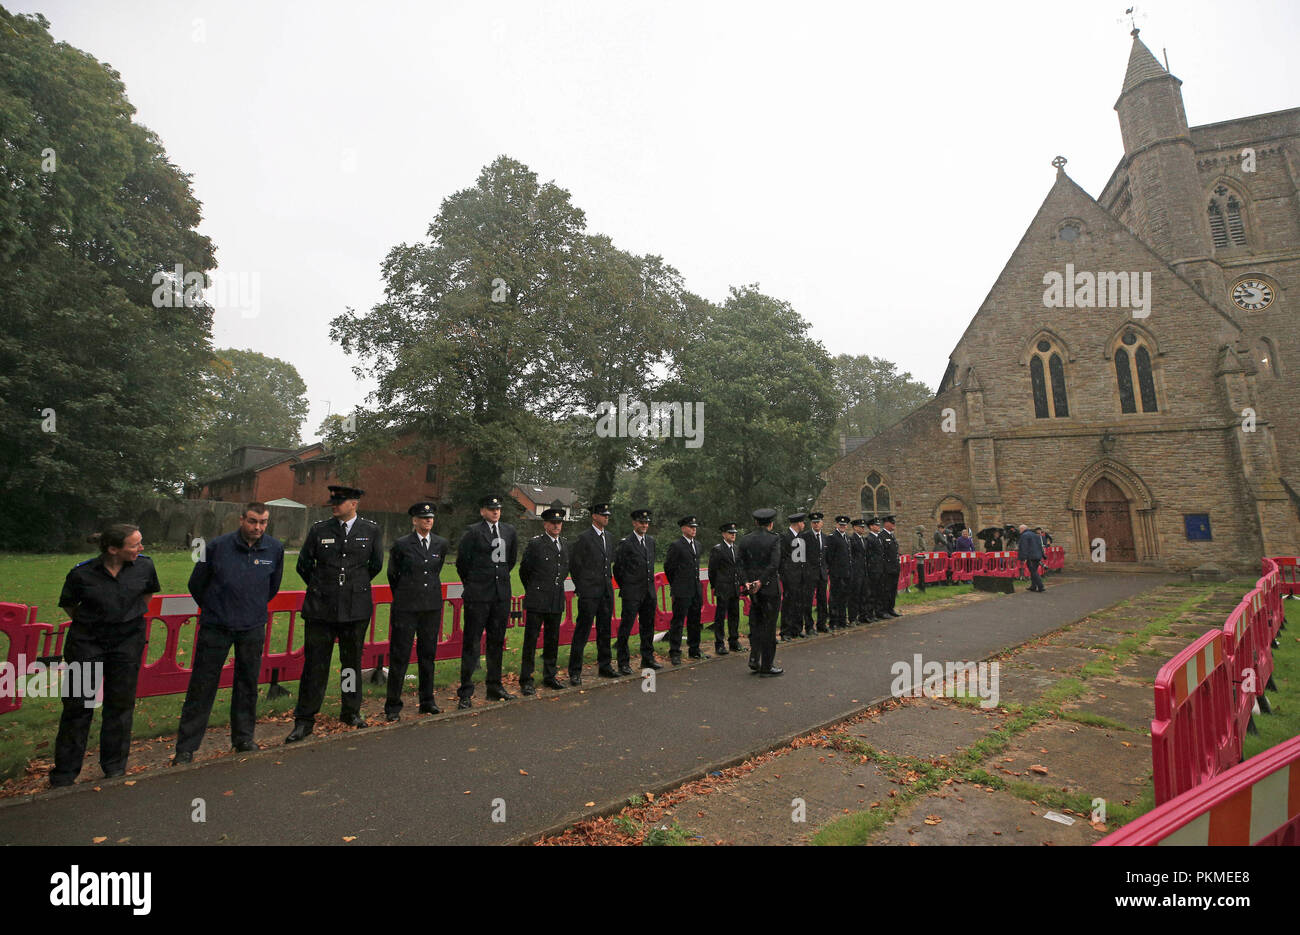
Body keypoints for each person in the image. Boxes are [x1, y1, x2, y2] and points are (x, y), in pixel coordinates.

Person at [50, 524, 161, 786]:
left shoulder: (145, 567)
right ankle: (65, 772)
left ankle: (114, 765)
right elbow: (69, 604)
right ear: (113, 549)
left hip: (127, 644)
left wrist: (124, 621)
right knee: (78, 706)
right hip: (87, 644)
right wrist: (96, 624)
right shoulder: (81, 574)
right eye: (135, 545)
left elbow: (147, 595)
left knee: (120, 705)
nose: (141, 548)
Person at [174, 503, 284, 763]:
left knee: (247, 684)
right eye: (253, 521)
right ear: (241, 519)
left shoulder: (275, 549)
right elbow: (196, 583)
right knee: (202, 686)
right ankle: (186, 748)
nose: (258, 527)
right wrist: (216, 609)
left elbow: (272, 587)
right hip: (216, 626)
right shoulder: (214, 547)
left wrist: (250, 608)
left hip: (252, 627)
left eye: (263, 522)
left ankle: (243, 738)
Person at [287, 485, 384, 743]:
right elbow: (304, 565)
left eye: (339, 501)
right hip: (321, 608)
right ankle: (305, 719)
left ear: (354, 503)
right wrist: (324, 587)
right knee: (315, 666)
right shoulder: (319, 529)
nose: (334, 505)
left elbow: (374, 566)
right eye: (333, 501)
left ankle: (350, 711)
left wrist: (351, 588)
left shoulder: (371, 530)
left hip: (355, 608)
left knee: (350, 664)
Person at [383, 502, 448, 721]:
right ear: (414, 521)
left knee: (428, 655)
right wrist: (407, 594)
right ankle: (393, 706)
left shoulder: (440, 544)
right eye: (423, 518)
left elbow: (435, 571)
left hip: (430, 607)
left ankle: (427, 701)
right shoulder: (402, 544)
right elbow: (393, 575)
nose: (428, 521)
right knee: (400, 657)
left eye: (430, 517)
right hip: (407, 607)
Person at [454, 494, 518, 709]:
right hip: (478, 596)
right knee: (472, 642)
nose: (495, 512)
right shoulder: (473, 532)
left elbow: (511, 560)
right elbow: (463, 562)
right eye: (491, 509)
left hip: (500, 595)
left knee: (496, 642)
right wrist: (476, 583)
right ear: (482, 511)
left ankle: (494, 686)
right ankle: (466, 690)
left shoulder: (509, 531)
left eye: (498, 509)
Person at [519, 507, 570, 694]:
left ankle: (550, 675)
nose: (556, 526)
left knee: (552, 640)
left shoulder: (564, 544)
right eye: (553, 523)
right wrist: (534, 590)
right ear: (545, 524)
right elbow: (524, 571)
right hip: (537, 599)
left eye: (559, 523)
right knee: (531, 641)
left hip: (556, 598)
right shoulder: (536, 544)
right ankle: (526, 679)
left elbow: (564, 569)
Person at [567, 503, 616, 683]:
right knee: (583, 631)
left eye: (607, 515)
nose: (606, 517)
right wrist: (582, 588)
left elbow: (608, 563)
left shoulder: (609, 537)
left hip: (605, 591)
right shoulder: (584, 538)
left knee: (605, 630)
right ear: (594, 516)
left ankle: (605, 666)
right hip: (589, 593)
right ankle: (575, 671)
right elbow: (575, 565)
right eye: (603, 515)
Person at [613, 509, 659, 674]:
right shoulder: (626, 543)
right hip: (632, 593)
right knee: (626, 629)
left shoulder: (651, 541)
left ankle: (647, 659)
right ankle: (623, 663)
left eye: (647, 522)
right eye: (641, 522)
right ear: (634, 523)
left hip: (648, 592)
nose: (645, 525)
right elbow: (618, 569)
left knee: (648, 627)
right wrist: (628, 586)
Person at [738, 508, 782, 676]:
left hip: (752, 591)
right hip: (769, 588)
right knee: (769, 627)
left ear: (756, 522)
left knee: (755, 625)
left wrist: (747, 581)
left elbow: (739, 563)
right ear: (770, 524)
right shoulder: (774, 539)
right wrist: (761, 581)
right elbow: (774, 564)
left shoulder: (746, 540)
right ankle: (767, 665)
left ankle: (754, 658)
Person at [663, 515, 706, 663]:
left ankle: (694, 649)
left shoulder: (698, 545)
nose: (694, 530)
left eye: (695, 527)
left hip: (695, 589)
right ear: (683, 528)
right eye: (690, 527)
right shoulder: (677, 545)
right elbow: (669, 567)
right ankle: (675, 652)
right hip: (681, 589)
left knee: (695, 620)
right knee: (678, 622)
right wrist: (676, 585)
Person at [707, 522, 743, 653]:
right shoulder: (718, 549)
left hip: (734, 587)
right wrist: (715, 585)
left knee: (735, 615)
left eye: (734, 533)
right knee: (721, 617)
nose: (733, 535)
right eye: (730, 533)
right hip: (723, 587)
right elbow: (712, 570)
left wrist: (742, 583)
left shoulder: (737, 549)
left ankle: (734, 641)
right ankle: (719, 643)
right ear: (723, 534)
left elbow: (739, 568)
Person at [779, 511, 808, 640]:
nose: (804, 524)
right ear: (797, 523)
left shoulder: (801, 537)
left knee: (799, 602)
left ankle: (797, 628)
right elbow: (783, 558)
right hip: (790, 576)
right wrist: (786, 574)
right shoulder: (785, 537)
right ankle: (786, 631)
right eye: (802, 522)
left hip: (800, 575)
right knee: (789, 603)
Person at [801, 512, 830, 635]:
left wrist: (825, 568)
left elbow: (826, 556)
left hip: (822, 573)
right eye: (814, 522)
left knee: (822, 600)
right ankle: (809, 626)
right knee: (807, 600)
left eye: (818, 522)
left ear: (822, 523)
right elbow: (802, 556)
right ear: (811, 524)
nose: (816, 524)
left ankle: (822, 624)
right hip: (809, 574)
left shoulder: (825, 537)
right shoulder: (805, 537)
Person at [824, 515, 852, 629]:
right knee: (835, 598)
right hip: (836, 573)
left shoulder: (847, 537)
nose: (843, 527)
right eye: (841, 525)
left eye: (844, 525)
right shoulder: (832, 537)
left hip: (846, 572)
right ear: (837, 525)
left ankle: (842, 619)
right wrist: (833, 570)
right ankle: (834, 621)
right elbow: (829, 556)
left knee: (844, 597)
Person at [879, 515, 902, 617]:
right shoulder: (882, 535)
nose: (894, 525)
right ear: (886, 523)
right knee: (886, 590)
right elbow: (882, 554)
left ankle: (890, 608)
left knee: (893, 589)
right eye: (892, 523)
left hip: (894, 567)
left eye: (894, 523)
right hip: (887, 568)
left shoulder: (891, 535)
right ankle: (884, 610)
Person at [864, 517, 886, 621]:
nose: (878, 527)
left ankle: (879, 612)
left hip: (880, 568)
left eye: (878, 525)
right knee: (872, 593)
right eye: (876, 525)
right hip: (873, 569)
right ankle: (870, 613)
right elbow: (869, 555)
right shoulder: (869, 539)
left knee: (879, 591)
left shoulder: (879, 538)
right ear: (871, 527)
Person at [849, 518, 869, 623]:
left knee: (864, 594)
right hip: (856, 571)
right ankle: (853, 617)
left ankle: (863, 615)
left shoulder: (863, 539)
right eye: (860, 527)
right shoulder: (852, 540)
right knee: (855, 595)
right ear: (855, 528)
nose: (862, 528)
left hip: (863, 570)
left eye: (863, 527)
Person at [1018, 524, 1047, 592]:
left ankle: (1041, 586)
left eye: (1020, 530)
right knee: (1033, 571)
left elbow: (1024, 547)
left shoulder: (1024, 536)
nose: (1019, 531)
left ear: (1022, 529)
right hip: (1037, 556)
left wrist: (1023, 557)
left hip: (1030, 556)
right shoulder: (1035, 535)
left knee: (1033, 572)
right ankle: (1033, 586)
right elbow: (1040, 545)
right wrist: (1042, 555)